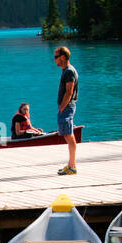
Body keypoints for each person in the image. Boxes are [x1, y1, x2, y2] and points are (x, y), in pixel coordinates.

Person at [53, 46, 79, 175]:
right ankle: (70, 164)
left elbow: (69, 92)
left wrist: (62, 107)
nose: (54, 60)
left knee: (69, 135)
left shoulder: (69, 71)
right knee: (67, 135)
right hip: (66, 107)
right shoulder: (66, 71)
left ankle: (72, 166)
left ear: (63, 57)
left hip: (67, 107)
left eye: (56, 57)